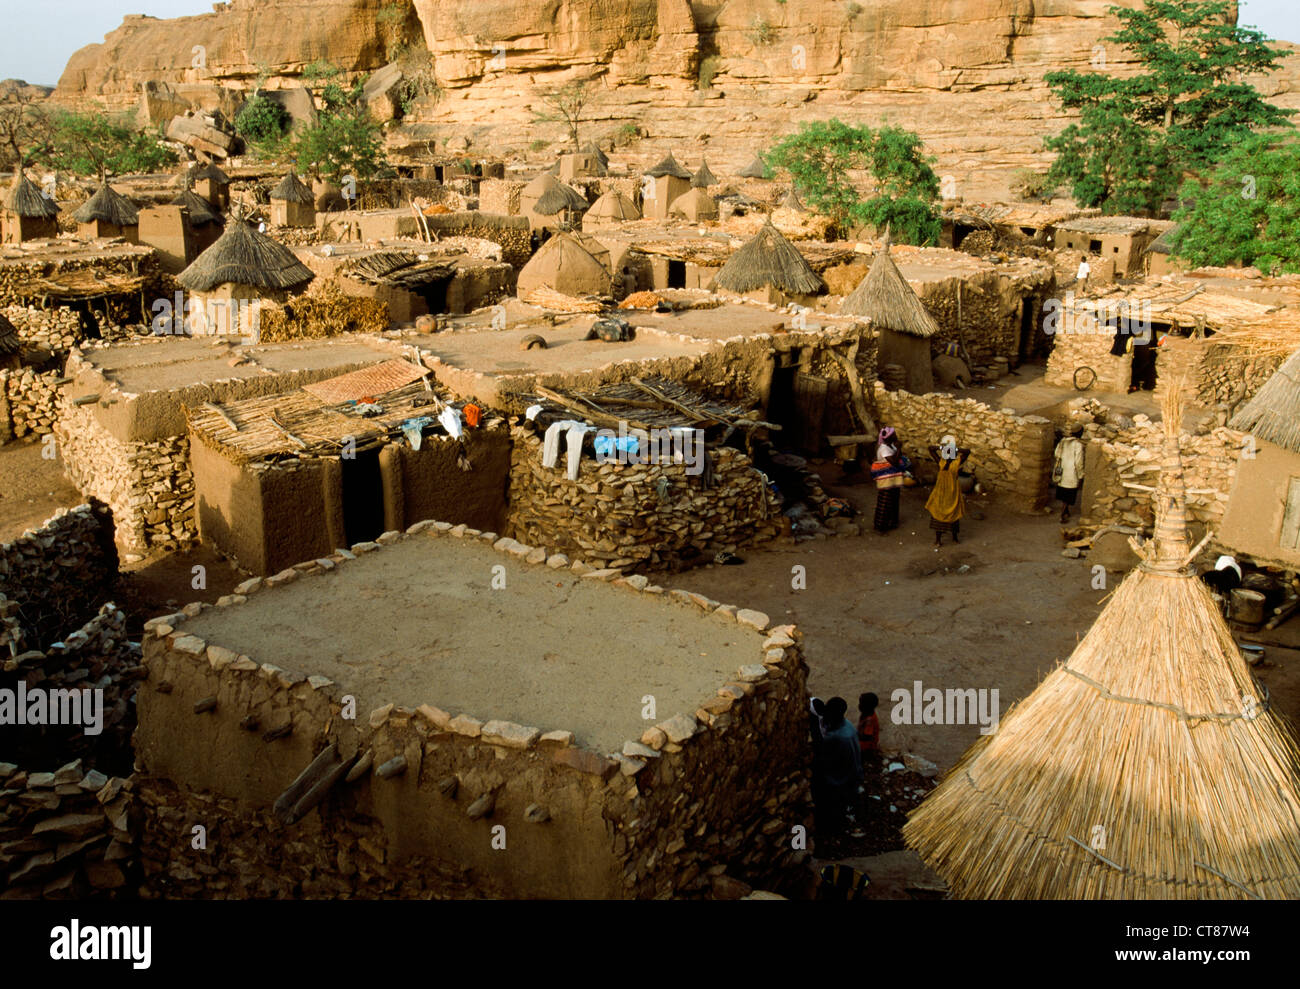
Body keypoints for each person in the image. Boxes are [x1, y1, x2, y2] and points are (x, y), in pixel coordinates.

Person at [816, 697, 864, 837]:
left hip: (842, 779)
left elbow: (825, 759)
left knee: (833, 803)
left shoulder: (837, 737)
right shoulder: (847, 725)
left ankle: (832, 828)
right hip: (854, 774)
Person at [925, 434, 969, 547]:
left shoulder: (957, 462)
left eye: (951, 452)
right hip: (940, 492)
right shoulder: (941, 462)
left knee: (953, 515)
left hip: (952, 493)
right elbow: (930, 449)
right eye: (947, 452)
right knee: (938, 515)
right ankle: (938, 540)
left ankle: (955, 537)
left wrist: (954, 448)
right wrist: (942, 448)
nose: (949, 454)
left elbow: (967, 451)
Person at [871, 426, 907, 535]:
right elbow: (894, 462)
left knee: (893, 500)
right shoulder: (884, 449)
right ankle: (880, 527)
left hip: (893, 479)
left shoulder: (890, 446)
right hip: (886, 480)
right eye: (894, 435)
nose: (896, 436)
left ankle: (891, 523)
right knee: (885, 502)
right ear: (889, 437)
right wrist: (899, 448)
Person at [1052, 425, 1086, 523]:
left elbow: (1056, 454)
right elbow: (1079, 462)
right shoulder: (1078, 445)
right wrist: (1081, 475)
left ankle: (1066, 511)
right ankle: (1062, 515)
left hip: (1062, 471)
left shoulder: (1063, 441)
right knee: (1069, 495)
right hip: (1072, 473)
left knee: (1063, 493)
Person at [857, 692, 880, 761]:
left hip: (867, 747)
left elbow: (867, 737)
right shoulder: (866, 714)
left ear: (866, 707)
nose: (859, 705)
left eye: (861, 704)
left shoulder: (869, 720)